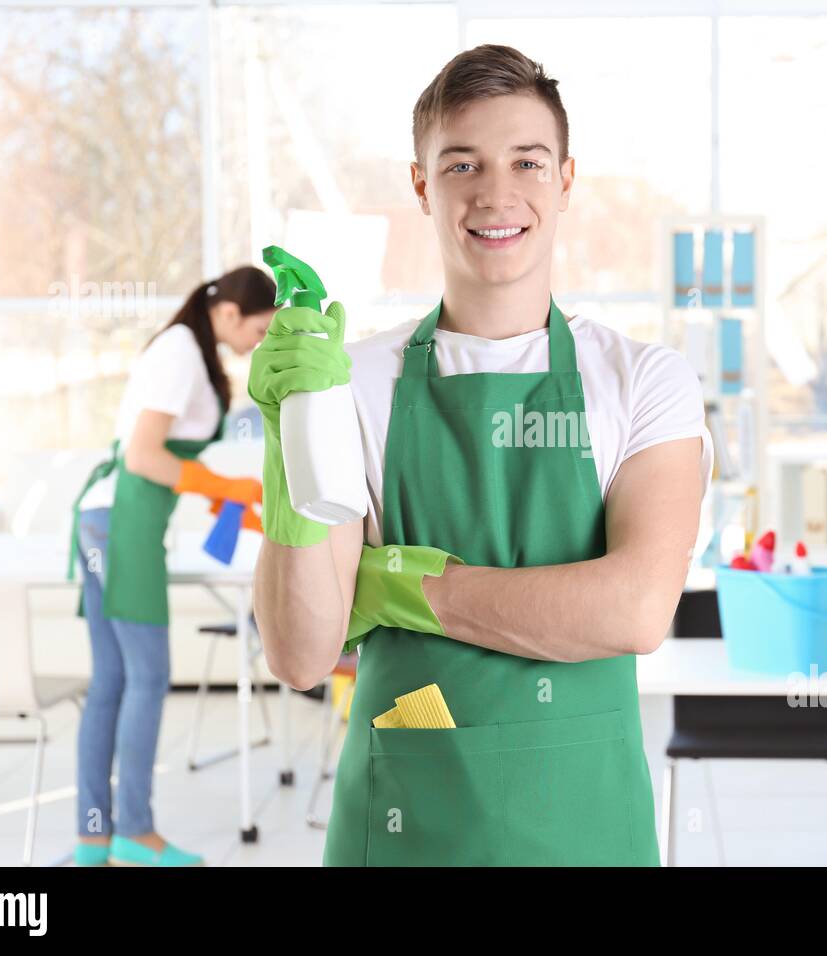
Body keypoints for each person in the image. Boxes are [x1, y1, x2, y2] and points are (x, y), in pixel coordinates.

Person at [248, 44, 713, 866]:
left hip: (586, 832)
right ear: (422, 184)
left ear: (566, 179)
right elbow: (299, 652)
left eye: (527, 162)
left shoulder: (645, 381)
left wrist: (400, 586)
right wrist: (293, 448)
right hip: (407, 825)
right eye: (463, 164)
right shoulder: (350, 384)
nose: (497, 194)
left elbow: (636, 608)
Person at [66, 267, 274, 866]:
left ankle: (93, 838)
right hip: (124, 524)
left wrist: (225, 498)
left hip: (105, 519)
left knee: (110, 683)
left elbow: (167, 458)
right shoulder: (183, 351)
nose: (258, 342)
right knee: (148, 678)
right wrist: (223, 482)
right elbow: (144, 455)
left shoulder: (187, 349)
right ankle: (135, 833)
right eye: (258, 330)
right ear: (230, 313)